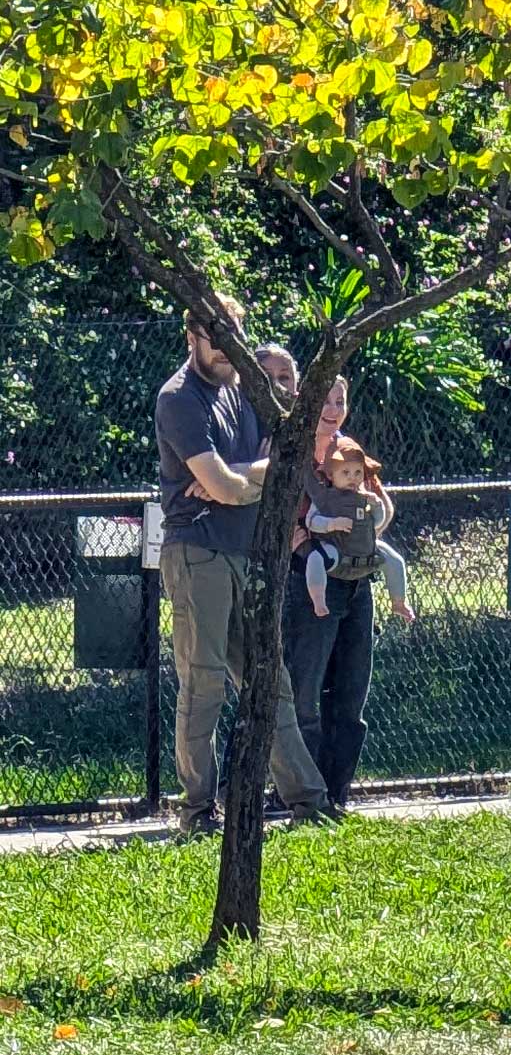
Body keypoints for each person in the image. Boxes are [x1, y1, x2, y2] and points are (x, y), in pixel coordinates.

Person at [154, 298, 342, 835]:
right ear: (192, 336)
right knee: (205, 684)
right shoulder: (179, 398)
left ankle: (309, 803)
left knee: (270, 680)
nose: (226, 346)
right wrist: (241, 480)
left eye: (234, 332)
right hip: (199, 555)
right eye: (216, 334)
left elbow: (282, 454)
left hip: (249, 555)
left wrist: (239, 476)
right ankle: (197, 813)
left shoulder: (244, 390)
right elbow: (222, 487)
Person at [282, 376, 392, 807]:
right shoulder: (292, 451)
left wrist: (366, 528)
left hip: (357, 579)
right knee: (304, 692)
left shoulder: (351, 450)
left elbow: (384, 506)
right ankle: (304, 795)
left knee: (350, 692)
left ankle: (337, 793)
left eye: (339, 400)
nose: (332, 408)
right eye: (324, 399)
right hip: (311, 577)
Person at [301, 436, 416, 623]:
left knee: (395, 560)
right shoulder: (325, 497)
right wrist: (332, 524)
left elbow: (377, 523)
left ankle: (398, 601)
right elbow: (311, 522)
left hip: (364, 552)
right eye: (345, 472)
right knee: (315, 558)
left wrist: (377, 506)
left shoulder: (364, 497)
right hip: (336, 550)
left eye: (357, 473)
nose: (352, 478)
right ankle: (318, 599)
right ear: (330, 475)